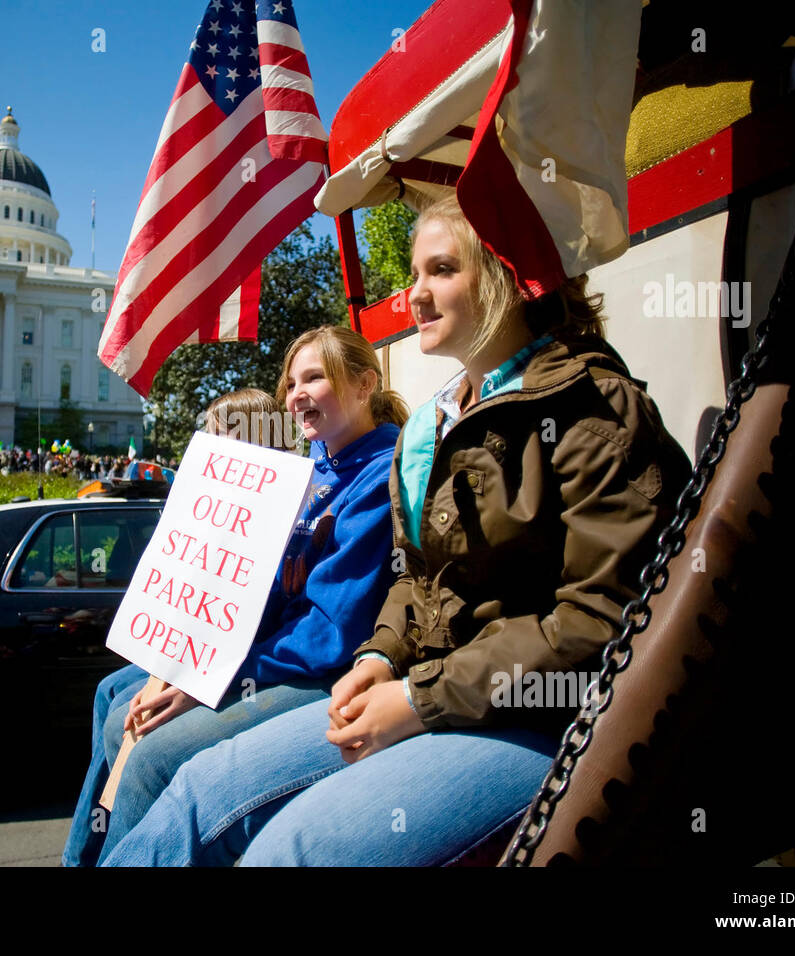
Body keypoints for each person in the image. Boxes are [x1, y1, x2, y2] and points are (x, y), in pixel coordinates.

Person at [101, 197, 692, 866]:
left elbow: (603, 621)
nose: (414, 296)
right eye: (415, 273)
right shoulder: (436, 424)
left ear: (509, 274)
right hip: (427, 689)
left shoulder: (597, 411)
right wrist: (379, 659)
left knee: (285, 853)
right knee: (195, 793)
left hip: (541, 721)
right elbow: (418, 582)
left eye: (441, 270)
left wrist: (416, 697)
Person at [62, 332, 409, 867]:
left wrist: (211, 673)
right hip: (257, 650)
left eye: (314, 378)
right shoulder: (306, 467)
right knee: (115, 701)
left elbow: (327, 632)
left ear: (365, 385)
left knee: (150, 754)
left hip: (315, 671)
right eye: (291, 382)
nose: (296, 395)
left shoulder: (379, 476)